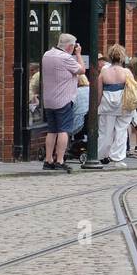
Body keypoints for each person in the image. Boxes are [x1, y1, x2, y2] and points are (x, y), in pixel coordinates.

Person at [41, 33, 86, 171]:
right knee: (63, 130)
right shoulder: (66, 58)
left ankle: (48, 159)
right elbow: (82, 70)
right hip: (63, 99)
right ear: (70, 46)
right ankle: (59, 160)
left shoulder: (47, 55)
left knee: (51, 130)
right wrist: (78, 54)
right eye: (73, 47)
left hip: (49, 99)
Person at [97, 44, 136, 167]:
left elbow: (99, 92)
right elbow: (133, 90)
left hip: (106, 104)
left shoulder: (104, 71)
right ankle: (117, 158)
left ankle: (101, 155)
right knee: (121, 131)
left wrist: (97, 105)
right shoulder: (127, 72)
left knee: (105, 132)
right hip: (123, 105)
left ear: (110, 57)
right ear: (122, 57)